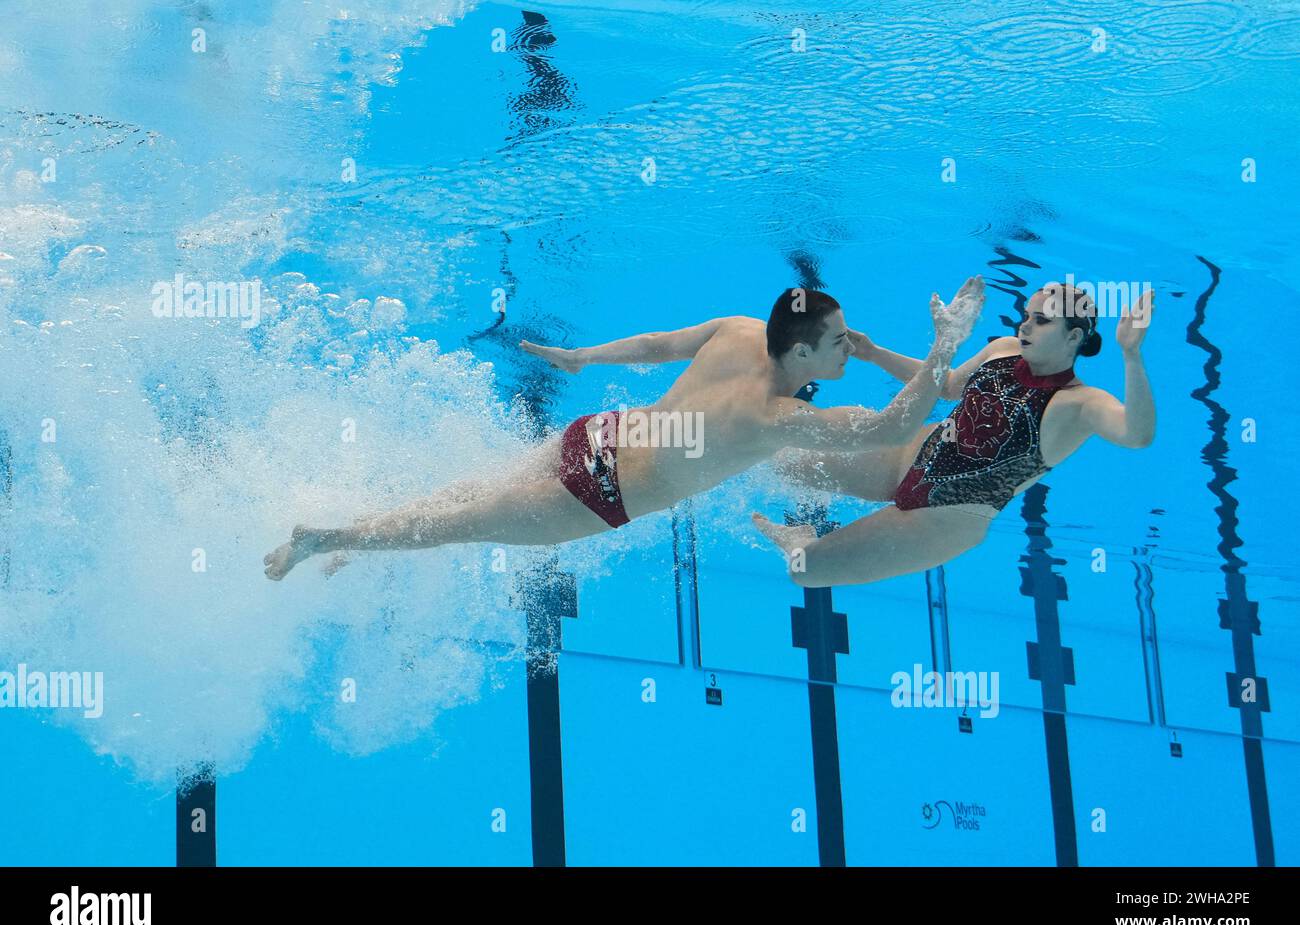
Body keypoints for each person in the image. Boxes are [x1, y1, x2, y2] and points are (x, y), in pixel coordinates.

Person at [263, 279, 985, 580]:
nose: (849, 343)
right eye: (837, 340)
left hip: (595, 435)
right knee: (463, 523)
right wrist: (943, 348)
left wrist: (582, 355)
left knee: (473, 496)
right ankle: (330, 539)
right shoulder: (778, 417)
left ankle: (365, 539)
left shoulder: (737, 330)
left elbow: (654, 344)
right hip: (599, 495)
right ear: (799, 352)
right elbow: (894, 422)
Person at [752, 282, 1155, 587]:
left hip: (944, 518)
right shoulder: (1004, 349)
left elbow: (1137, 435)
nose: (1026, 325)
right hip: (909, 456)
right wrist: (874, 353)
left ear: (1074, 338)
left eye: (1042, 321)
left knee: (806, 571)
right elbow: (945, 386)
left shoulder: (1080, 403)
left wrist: (1131, 354)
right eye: (1028, 315)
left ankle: (798, 539)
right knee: (781, 459)